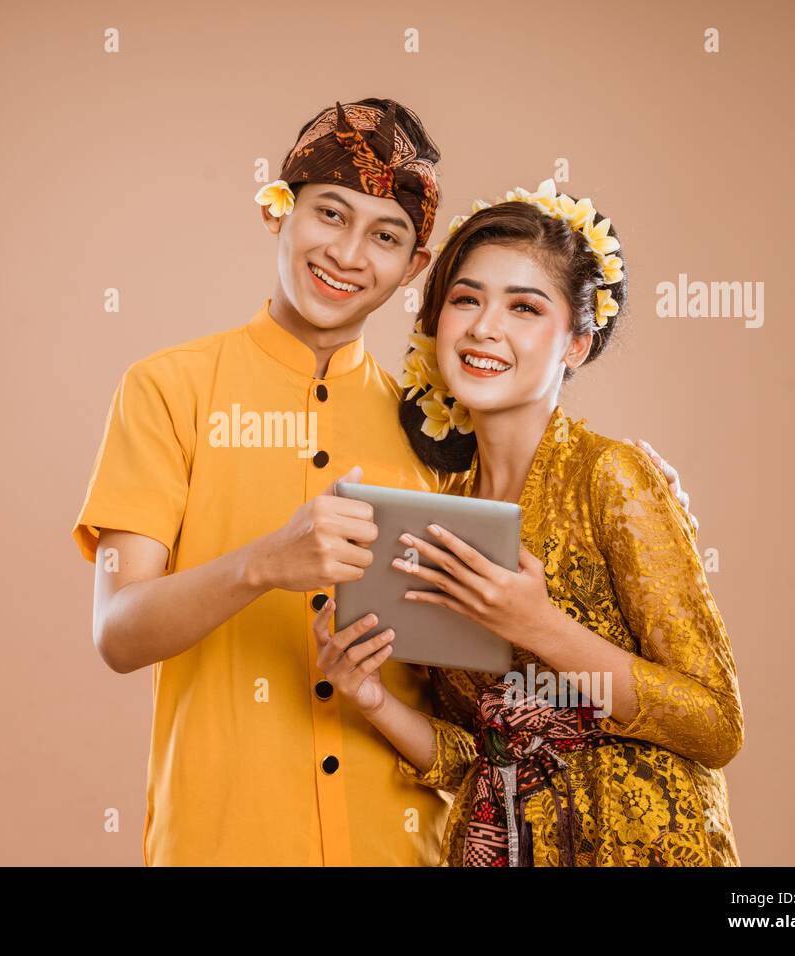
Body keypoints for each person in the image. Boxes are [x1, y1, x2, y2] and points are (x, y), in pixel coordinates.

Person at [73, 98, 694, 865]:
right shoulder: (168, 390)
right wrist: (261, 563)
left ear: (414, 268)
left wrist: (635, 488)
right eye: (330, 215)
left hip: (405, 846)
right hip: (224, 838)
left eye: (386, 236)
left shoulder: (440, 431)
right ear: (280, 211)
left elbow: (501, 679)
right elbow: (119, 634)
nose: (348, 253)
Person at [313, 180, 744, 866]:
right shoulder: (437, 511)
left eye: (524, 307)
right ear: (436, 322)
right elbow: (478, 753)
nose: (485, 327)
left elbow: (716, 723)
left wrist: (538, 625)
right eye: (466, 299)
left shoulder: (613, 477)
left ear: (575, 343)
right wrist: (370, 697)